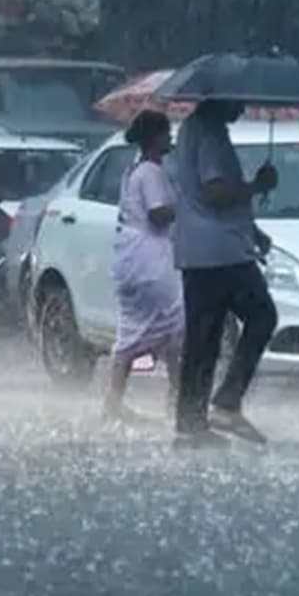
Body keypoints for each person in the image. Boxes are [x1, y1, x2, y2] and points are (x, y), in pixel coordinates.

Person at [171, 99, 279, 444]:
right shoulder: (211, 133)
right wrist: (257, 187)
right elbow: (215, 190)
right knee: (262, 315)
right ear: (220, 97)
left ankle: (191, 420)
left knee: (203, 338)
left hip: (199, 250)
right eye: (237, 100)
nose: (243, 106)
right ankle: (227, 403)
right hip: (222, 251)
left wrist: (253, 230)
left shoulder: (190, 128)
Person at [106, 109, 185, 422]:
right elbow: (158, 214)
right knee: (179, 327)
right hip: (150, 261)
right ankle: (177, 400)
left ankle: (113, 402)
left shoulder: (134, 170)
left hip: (132, 260)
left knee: (133, 332)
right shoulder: (150, 172)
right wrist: (186, 205)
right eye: (166, 133)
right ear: (154, 138)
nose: (170, 139)